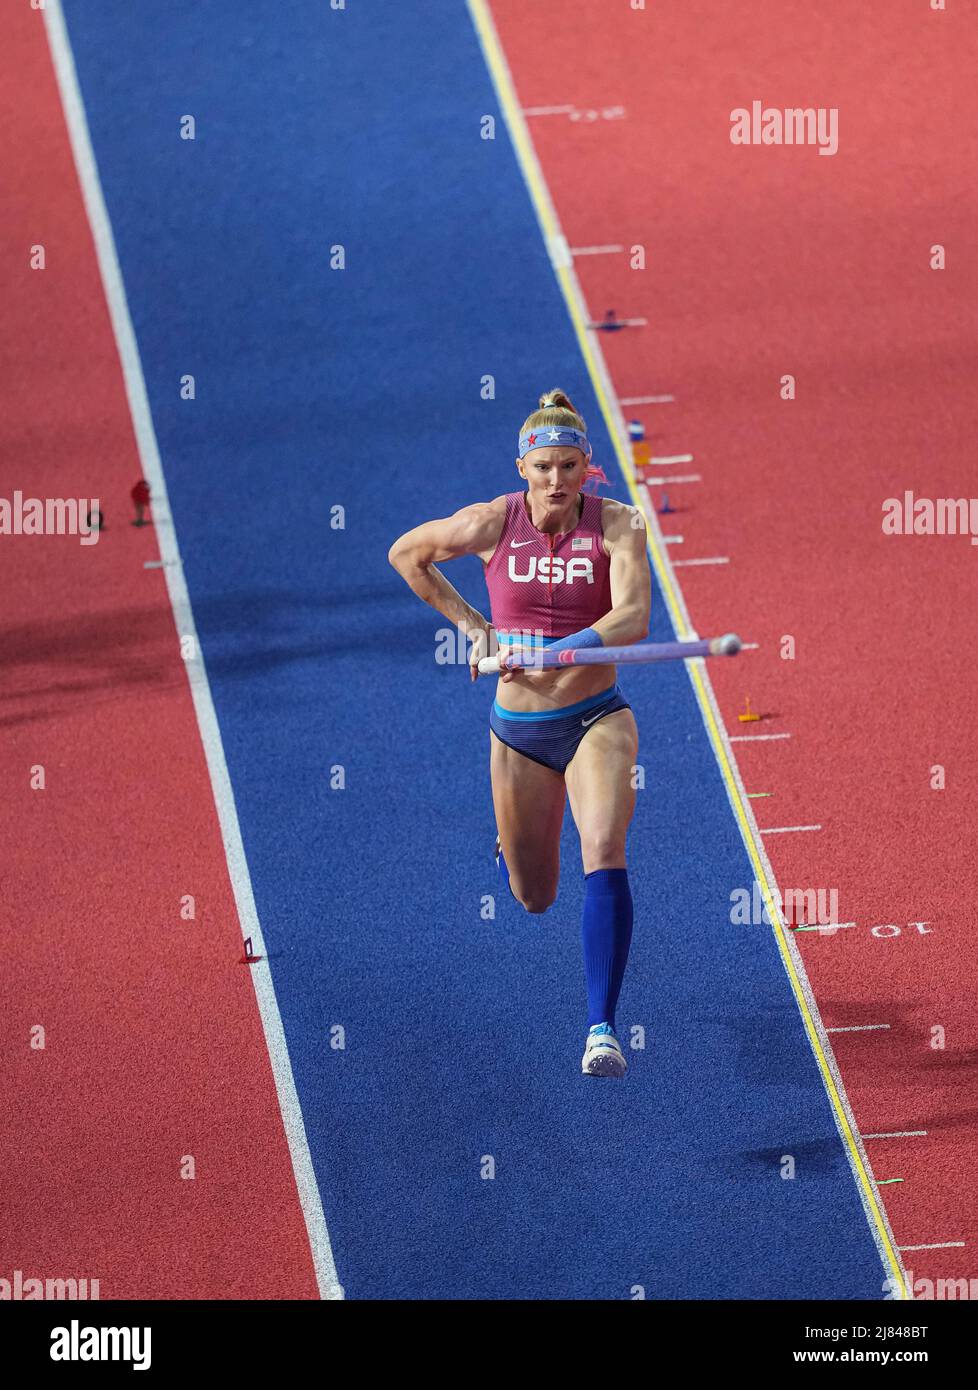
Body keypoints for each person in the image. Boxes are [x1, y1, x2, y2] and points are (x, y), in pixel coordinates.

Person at [388, 390, 651, 1077]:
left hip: (597, 716)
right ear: (523, 469)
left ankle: (601, 1027)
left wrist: (565, 649)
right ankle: (511, 841)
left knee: (603, 846)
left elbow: (633, 619)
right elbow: (406, 555)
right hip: (521, 732)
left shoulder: (619, 524)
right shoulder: (490, 523)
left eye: (569, 467)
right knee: (534, 897)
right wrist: (479, 630)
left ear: (588, 466)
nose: (557, 481)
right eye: (544, 469)